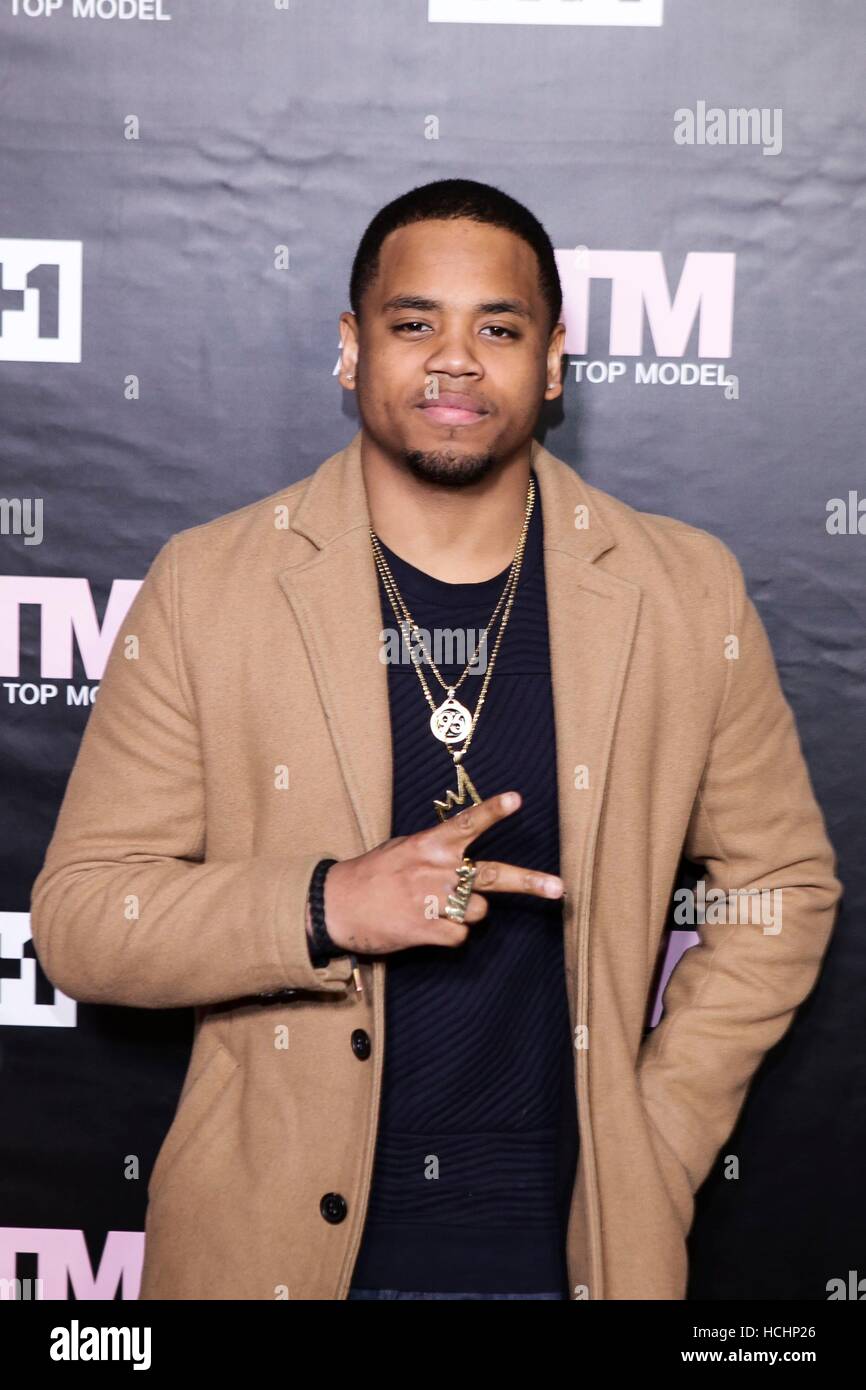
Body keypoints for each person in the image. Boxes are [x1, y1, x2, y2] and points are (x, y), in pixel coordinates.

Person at [30, 178, 842, 1301]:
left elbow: (782, 885)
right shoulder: (209, 583)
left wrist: (650, 1132)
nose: (453, 360)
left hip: (576, 1261)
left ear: (552, 359)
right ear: (351, 349)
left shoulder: (679, 589)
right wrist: (325, 905)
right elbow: (81, 921)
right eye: (413, 324)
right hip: (270, 1257)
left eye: (496, 329)